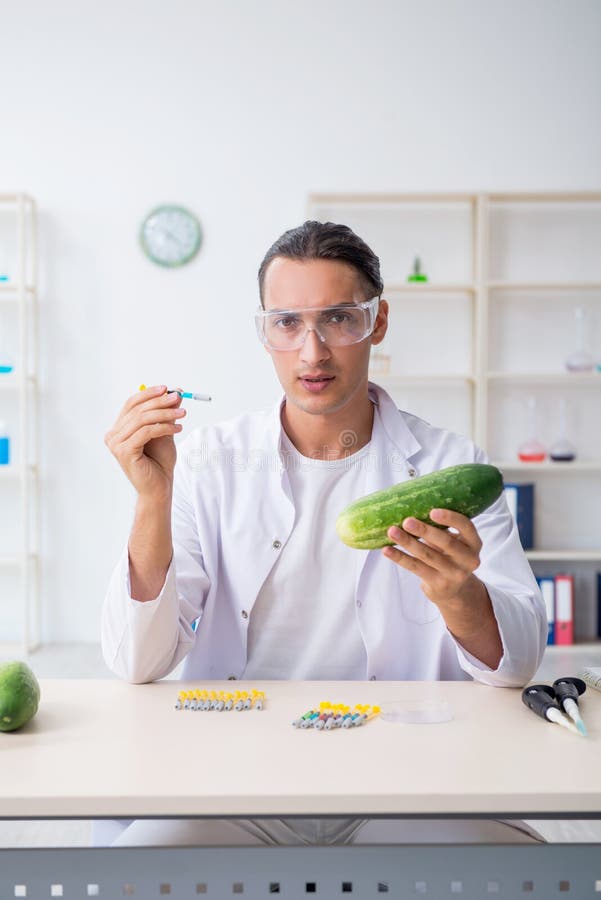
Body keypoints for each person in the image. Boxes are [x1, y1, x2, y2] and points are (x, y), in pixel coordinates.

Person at [100, 221, 547, 847]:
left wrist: (460, 596)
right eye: (286, 323)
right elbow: (137, 662)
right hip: (235, 775)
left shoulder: (450, 467)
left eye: (338, 319)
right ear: (265, 332)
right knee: (138, 868)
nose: (312, 352)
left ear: (378, 322)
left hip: (411, 777)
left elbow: (520, 664)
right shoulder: (207, 462)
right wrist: (152, 500)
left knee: (515, 868)